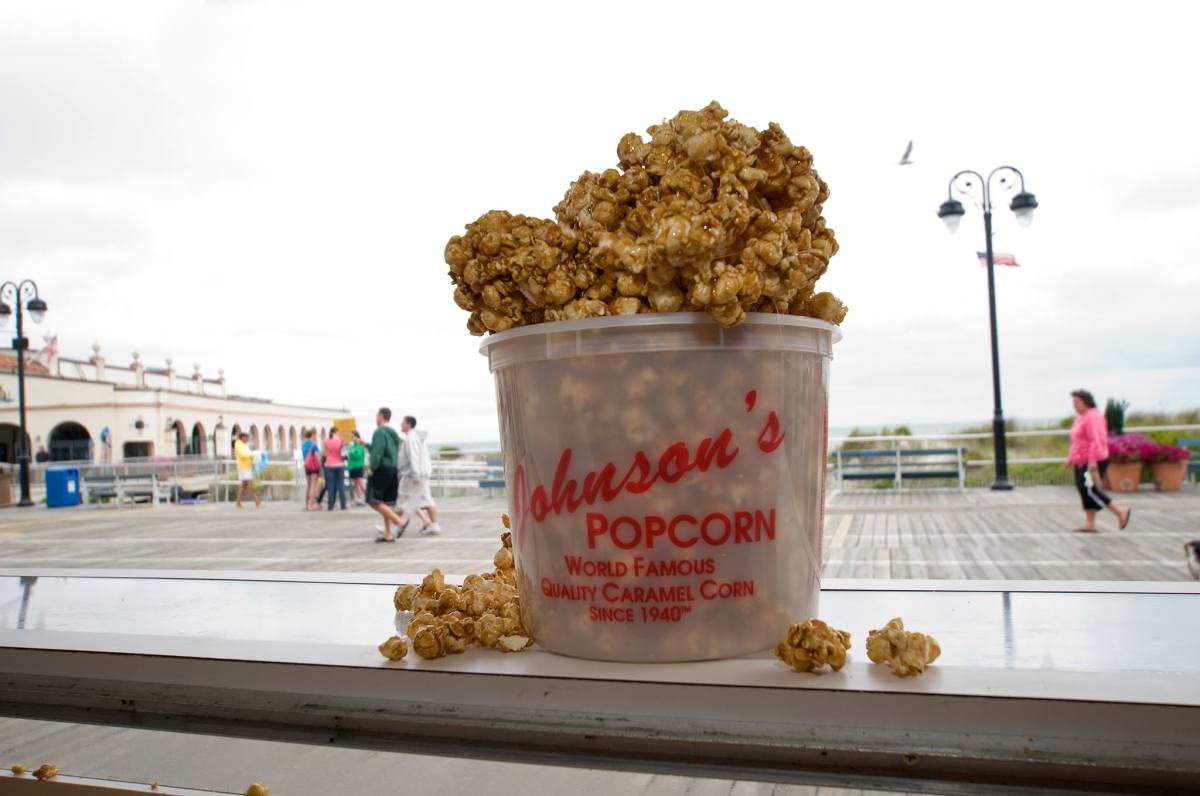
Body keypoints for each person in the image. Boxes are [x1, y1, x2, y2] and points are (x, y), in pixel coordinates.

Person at [1065, 389, 1131, 533]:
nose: (1074, 405)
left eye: (1077, 402)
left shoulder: (1093, 417)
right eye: (1073, 402)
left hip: (1093, 460)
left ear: (1086, 401)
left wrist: (1092, 460)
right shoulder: (1081, 418)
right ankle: (1090, 524)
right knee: (1084, 490)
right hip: (1081, 460)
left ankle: (1120, 511)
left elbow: (1097, 440)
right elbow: (1076, 441)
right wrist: (1070, 459)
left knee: (1091, 490)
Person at [367, 407, 407, 542]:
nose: (376, 418)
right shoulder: (393, 433)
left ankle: (400, 522)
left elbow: (377, 452)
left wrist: (372, 467)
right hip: (392, 468)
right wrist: (366, 445)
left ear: (381, 416)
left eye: (377, 415)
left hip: (381, 468)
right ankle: (388, 533)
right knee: (386, 502)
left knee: (373, 500)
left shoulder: (379, 431)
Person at [397, 415, 441, 535]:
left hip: (413, 476)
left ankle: (393, 527)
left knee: (401, 499)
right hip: (421, 475)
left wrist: (416, 475)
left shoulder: (410, 439)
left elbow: (414, 457)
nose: (401, 425)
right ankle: (434, 525)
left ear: (408, 424)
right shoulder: (416, 438)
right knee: (426, 499)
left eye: (403, 422)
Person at [233, 432, 262, 509]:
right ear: (242, 438)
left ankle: (238, 502)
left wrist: (252, 456)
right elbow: (242, 455)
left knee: (244, 485)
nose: (248, 439)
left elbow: (247, 454)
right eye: (247, 438)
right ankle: (257, 502)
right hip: (244, 467)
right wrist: (252, 455)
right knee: (250, 485)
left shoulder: (243, 445)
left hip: (246, 467)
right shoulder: (238, 445)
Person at [323, 426, 347, 511]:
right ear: (335, 432)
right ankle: (343, 505)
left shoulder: (326, 441)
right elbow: (344, 453)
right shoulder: (341, 441)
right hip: (340, 464)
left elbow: (325, 454)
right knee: (341, 485)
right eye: (338, 431)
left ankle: (330, 506)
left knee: (331, 486)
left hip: (329, 465)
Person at [301, 428, 322, 511]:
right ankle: (311, 505)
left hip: (306, 466)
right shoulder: (313, 444)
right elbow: (317, 456)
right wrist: (320, 466)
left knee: (308, 486)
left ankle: (306, 505)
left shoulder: (303, 444)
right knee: (313, 486)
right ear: (312, 435)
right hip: (313, 467)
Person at [347, 430, 367, 505]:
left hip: (358, 465)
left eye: (352, 436)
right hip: (352, 466)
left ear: (356, 436)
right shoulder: (352, 445)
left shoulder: (360, 445)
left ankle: (367, 497)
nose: (351, 437)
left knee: (360, 482)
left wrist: (351, 453)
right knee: (355, 483)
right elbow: (349, 455)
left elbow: (358, 455)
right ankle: (359, 498)